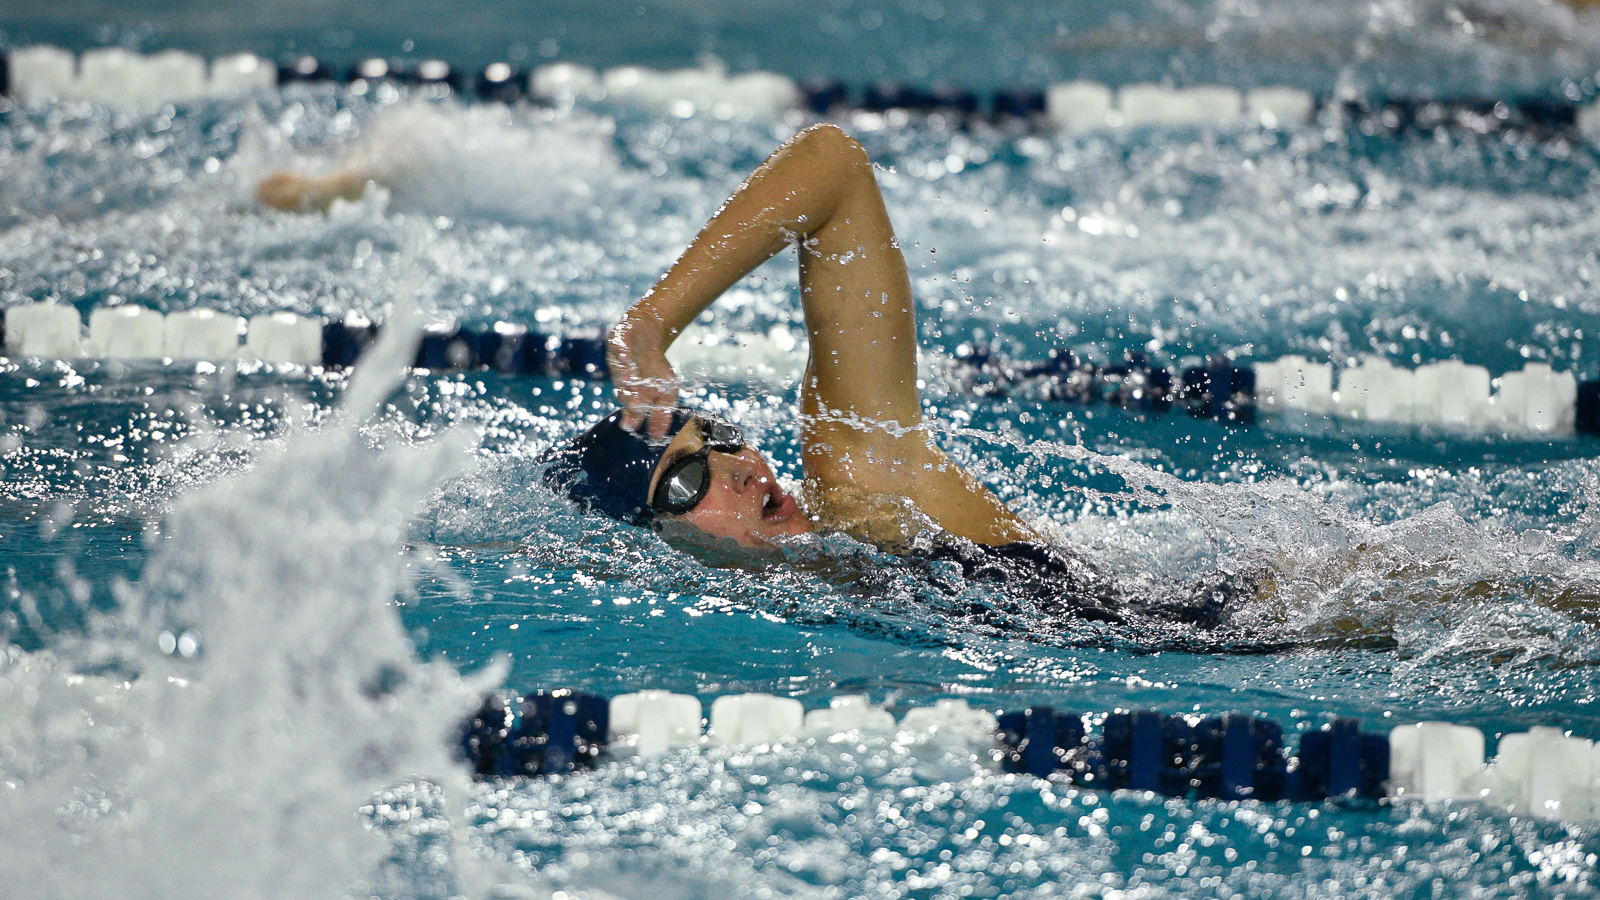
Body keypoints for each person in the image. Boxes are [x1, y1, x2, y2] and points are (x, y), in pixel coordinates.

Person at [546, 124, 1249, 628]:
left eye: (721, 439)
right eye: (686, 478)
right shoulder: (812, 608)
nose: (740, 469)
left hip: (1273, 621)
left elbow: (834, 165)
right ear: (648, 541)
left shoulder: (866, 490)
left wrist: (649, 324)